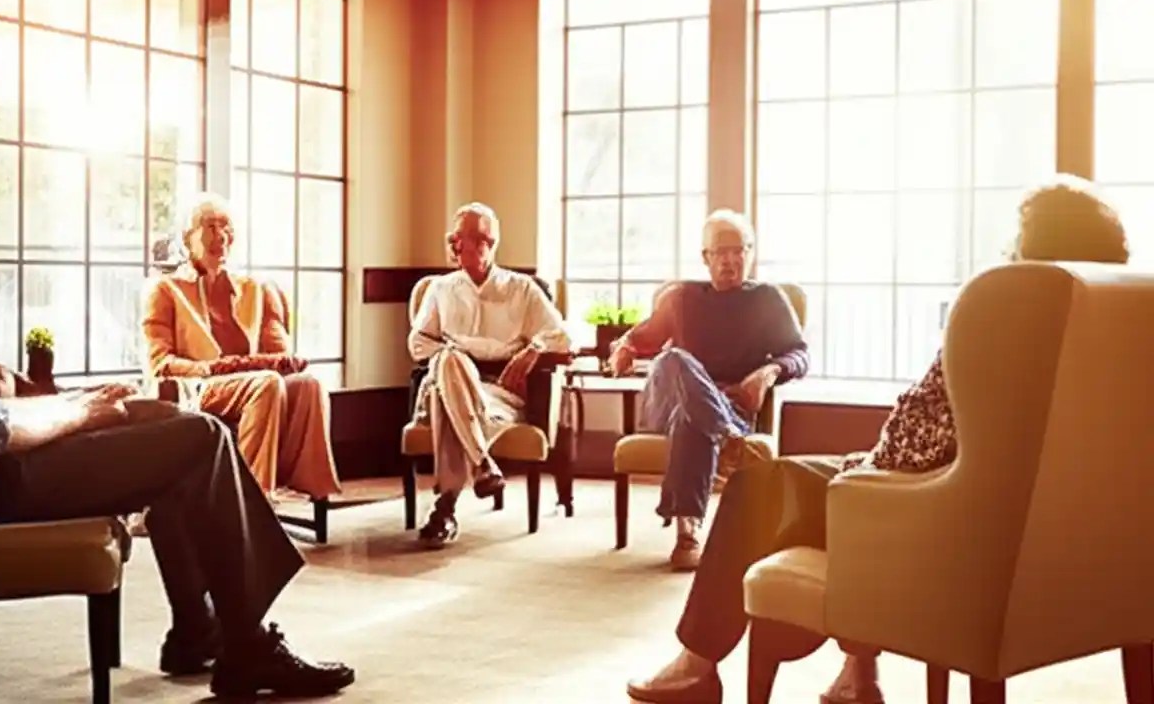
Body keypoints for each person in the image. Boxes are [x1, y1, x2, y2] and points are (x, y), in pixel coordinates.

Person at [626, 173, 1130, 704]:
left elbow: (912, 438)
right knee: (835, 485)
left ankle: (697, 664)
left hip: (953, 520)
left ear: (1031, 250)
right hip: (1054, 531)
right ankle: (856, 674)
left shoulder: (1004, 310)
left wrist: (864, 464)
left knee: (765, 486)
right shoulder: (1122, 319)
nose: (1007, 251)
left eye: (1014, 242)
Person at [0, 145, 354, 699]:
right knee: (199, 437)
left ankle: (199, 631)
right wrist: (77, 410)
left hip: (2, 454)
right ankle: (245, 645)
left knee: (164, 415)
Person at [606, 209, 809, 570]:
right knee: (675, 360)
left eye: (740, 250)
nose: (731, 260)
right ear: (705, 257)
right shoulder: (681, 297)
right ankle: (727, 440)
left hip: (727, 405)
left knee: (692, 418)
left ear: (751, 253)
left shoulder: (768, 300)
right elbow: (644, 336)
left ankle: (688, 535)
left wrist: (770, 371)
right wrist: (623, 345)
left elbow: (800, 353)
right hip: (667, 406)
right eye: (721, 251)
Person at [142, 193, 341, 504]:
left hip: (252, 382)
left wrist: (280, 359)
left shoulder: (255, 290)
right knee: (267, 383)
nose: (220, 236)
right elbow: (159, 363)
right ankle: (251, 496)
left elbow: (278, 356)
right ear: (188, 238)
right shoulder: (165, 290)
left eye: (226, 227)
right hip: (198, 387)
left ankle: (308, 485)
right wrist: (209, 368)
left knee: (308, 384)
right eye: (209, 226)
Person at [406, 202, 571, 548]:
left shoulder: (522, 289)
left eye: (486, 240)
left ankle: (445, 507)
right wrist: (454, 362)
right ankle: (481, 462)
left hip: (497, 394)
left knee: (447, 401)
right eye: (461, 239)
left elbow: (564, 336)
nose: (455, 247)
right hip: (443, 379)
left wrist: (533, 349)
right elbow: (418, 343)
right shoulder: (440, 289)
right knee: (450, 364)